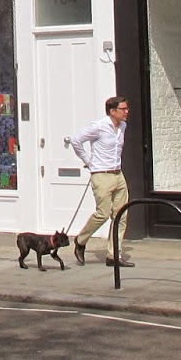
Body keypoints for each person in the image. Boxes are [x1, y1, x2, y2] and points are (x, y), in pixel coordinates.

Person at [69, 96, 133, 267]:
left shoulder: (123, 126)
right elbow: (76, 140)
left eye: (127, 108)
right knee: (103, 213)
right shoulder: (98, 127)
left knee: (121, 215)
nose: (127, 112)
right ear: (112, 111)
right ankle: (81, 241)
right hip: (101, 175)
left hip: (118, 174)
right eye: (123, 109)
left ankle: (114, 255)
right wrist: (88, 162)